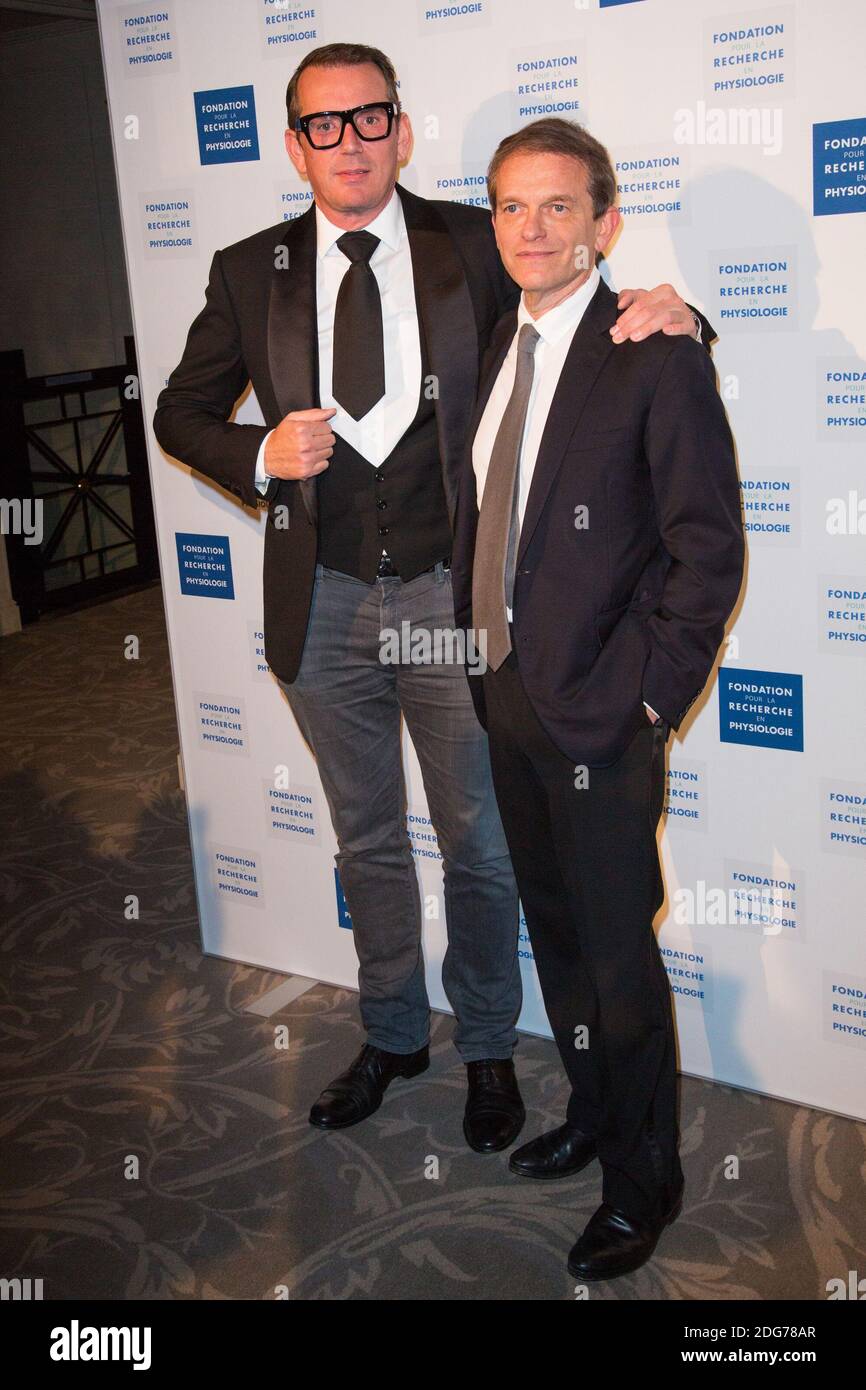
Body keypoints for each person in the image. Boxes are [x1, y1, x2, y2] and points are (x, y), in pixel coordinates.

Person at [153, 43, 712, 1156]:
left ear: (400, 132)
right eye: (323, 124)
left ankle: (490, 1050)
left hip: (456, 600)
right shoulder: (245, 267)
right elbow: (177, 412)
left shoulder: (475, 239)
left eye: (370, 120)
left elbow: (585, 330)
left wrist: (680, 315)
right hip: (316, 601)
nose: (349, 142)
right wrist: (260, 450)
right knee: (365, 838)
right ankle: (394, 1031)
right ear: (294, 144)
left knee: (481, 843)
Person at [451, 117, 744, 1278]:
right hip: (506, 699)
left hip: (601, 719)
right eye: (511, 208)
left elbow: (704, 551)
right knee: (562, 941)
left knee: (619, 963)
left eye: (557, 207)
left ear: (604, 222)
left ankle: (644, 1180)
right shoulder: (489, 342)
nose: (531, 229)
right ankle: (589, 1112)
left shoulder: (652, 352)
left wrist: (643, 702)